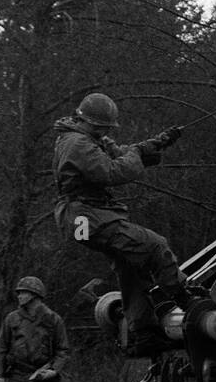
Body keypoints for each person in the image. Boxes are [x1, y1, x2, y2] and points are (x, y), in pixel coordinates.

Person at [54, 92, 187, 356]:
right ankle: (187, 300)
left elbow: (121, 154)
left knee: (132, 265)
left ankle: (144, 334)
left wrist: (155, 144)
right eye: (102, 127)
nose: (105, 132)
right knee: (154, 246)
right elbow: (113, 171)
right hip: (86, 217)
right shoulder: (76, 143)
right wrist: (138, 153)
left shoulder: (88, 137)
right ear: (90, 122)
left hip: (91, 216)